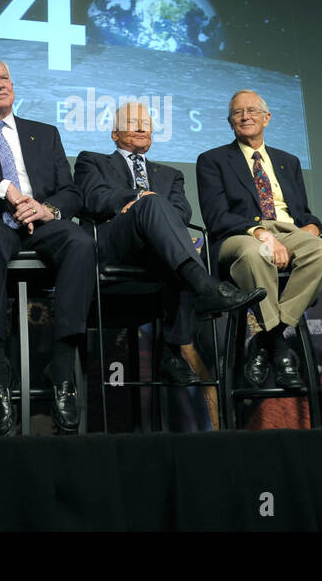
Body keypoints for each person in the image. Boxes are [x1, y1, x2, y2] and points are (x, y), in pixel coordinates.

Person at [0, 57, 95, 435]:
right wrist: (6, 189)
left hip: (40, 223)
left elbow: (70, 191)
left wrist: (47, 209)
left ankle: (62, 368)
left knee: (79, 240)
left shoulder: (45, 132)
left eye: (4, 78)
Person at [74, 101, 266, 385]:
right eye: (132, 122)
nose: (141, 127)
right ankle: (200, 295)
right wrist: (137, 200)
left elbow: (182, 213)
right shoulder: (92, 160)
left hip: (157, 253)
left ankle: (170, 352)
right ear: (114, 134)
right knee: (152, 203)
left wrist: (153, 213)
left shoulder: (170, 174)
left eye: (147, 124)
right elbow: (94, 197)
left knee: (162, 218)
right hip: (115, 242)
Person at [196, 90, 322, 389]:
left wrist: (312, 228)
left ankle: (265, 338)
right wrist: (260, 233)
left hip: (288, 231)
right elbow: (216, 217)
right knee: (254, 253)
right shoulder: (213, 160)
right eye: (237, 113)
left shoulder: (288, 161)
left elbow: (303, 213)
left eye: (251, 111)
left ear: (267, 118)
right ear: (230, 121)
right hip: (238, 235)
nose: (245, 116)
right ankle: (279, 347)